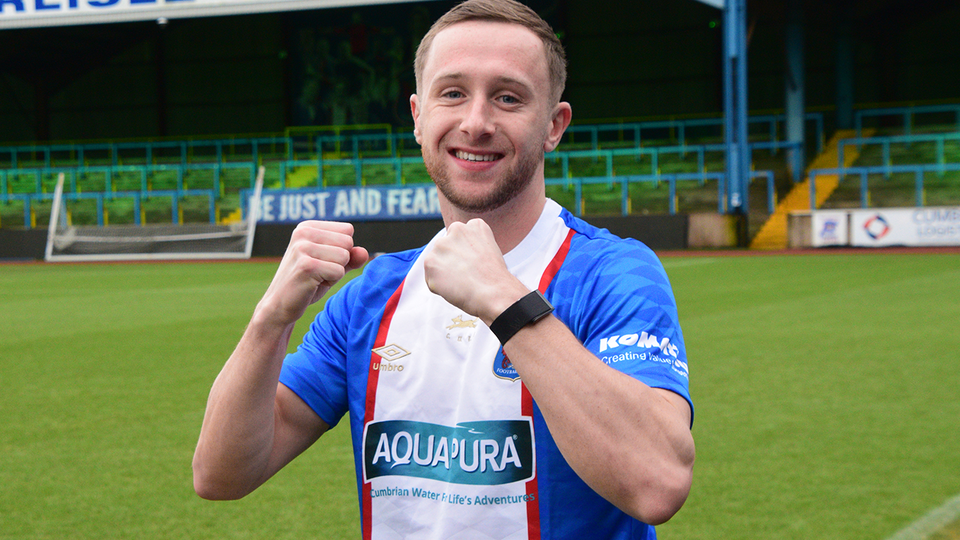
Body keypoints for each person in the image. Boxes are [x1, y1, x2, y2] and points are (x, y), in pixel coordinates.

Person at [192, 0, 695, 538]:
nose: (475, 123)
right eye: (452, 93)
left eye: (508, 97)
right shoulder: (372, 297)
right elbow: (221, 474)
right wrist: (270, 321)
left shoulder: (612, 273)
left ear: (554, 125)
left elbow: (657, 482)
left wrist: (505, 301)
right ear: (417, 115)